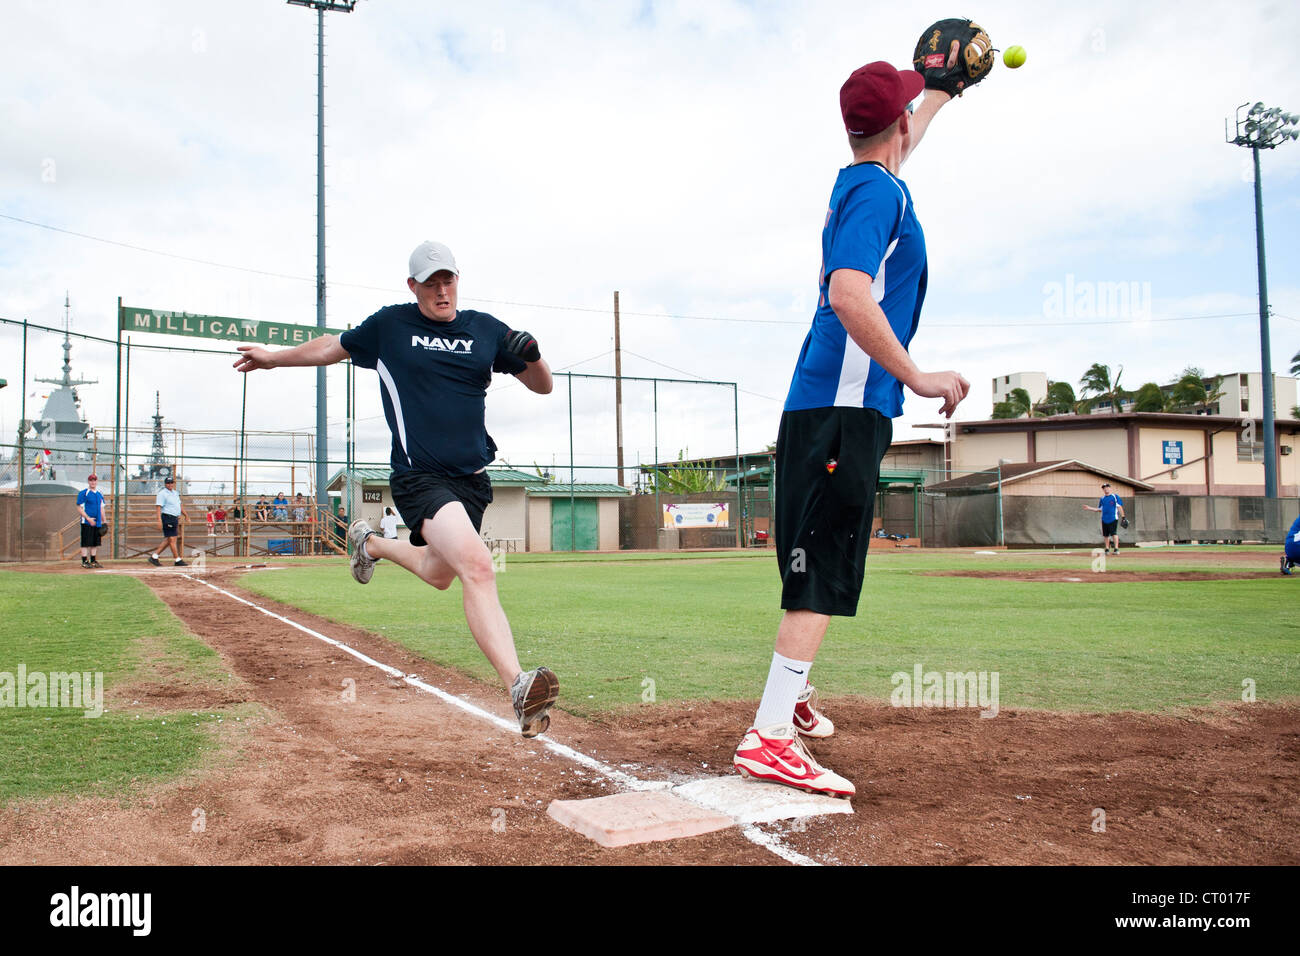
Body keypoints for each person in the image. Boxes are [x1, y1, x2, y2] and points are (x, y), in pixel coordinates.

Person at [731, 62, 970, 798]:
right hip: (842, 409)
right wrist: (918, 374)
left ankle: (788, 696)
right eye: (912, 112)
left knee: (815, 557)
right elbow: (847, 291)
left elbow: (903, 137)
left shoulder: (868, 177)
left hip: (824, 408)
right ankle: (770, 736)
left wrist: (944, 89)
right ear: (896, 125)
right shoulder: (877, 191)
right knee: (821, 564)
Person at [234, 240, 560, 738]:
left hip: (472, 481)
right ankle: (517, 686)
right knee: (477, 565)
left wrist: (532, 357)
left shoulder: (486, 331)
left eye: (448, 279)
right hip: (419, 476)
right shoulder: (390, 326)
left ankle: (370, 544)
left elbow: (543, 386)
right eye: (430, 282)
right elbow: (330, 347)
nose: (441, 290)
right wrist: (274, 359)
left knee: (439, 573)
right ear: (413, 287)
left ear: (458, 281)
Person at [147, 476, 189, 566]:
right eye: (168, 483)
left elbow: (179, 505)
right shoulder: (162, 493)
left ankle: (154, 557)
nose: (170, 484)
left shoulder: (175, 493)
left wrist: (186, 515)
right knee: (172, 539)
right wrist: (159, 520)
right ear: (165, 484)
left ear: (174, 484)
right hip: (167, 517)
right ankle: (177, 559)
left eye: (171, 483)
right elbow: (158, 507)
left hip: (174, 518)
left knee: (169, 539)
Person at [1083, 482, 1125, 555]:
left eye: (1107, 487)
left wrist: (1123, 517)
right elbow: (1100, 509)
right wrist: (1089, 508)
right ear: (1103, 489)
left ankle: (1116, 549)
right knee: (1106, 535)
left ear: (1110, 488)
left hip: (1113, 518)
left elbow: (1119, 507)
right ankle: (1107, 549)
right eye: (1104, 488)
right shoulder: (1102, 498)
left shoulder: (1115, 496)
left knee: (1114, 533)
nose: (1106, 489)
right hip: (1104, 519)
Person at [76, 473, 108, 569]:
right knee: (86, 542)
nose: (93, 482)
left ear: (97, 481)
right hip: (86, 522)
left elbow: (102, 508)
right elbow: (79, 508)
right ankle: (84, 561)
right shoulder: (84, 493)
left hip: (97, 522)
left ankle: (93, 560)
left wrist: (104, 521)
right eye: (91, 480)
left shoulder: (99, 494)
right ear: (88, 482)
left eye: (94, 480)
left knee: (95, 542)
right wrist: (88, 518)